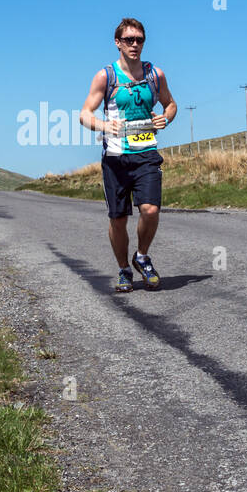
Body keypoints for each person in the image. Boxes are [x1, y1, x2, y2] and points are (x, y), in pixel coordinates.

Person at [78, 17, 176, 292]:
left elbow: (170, 104)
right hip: (116, 159)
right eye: (129, 40)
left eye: (140, 40)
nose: (135, 44)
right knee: (118, 219)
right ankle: (123, 270)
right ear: (118, 43)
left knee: (151, 209)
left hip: (146, 153)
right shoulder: (106, 76)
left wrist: (165, 118)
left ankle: (141, 257)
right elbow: (84, 113)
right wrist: (103, 124)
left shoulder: (155, 74)